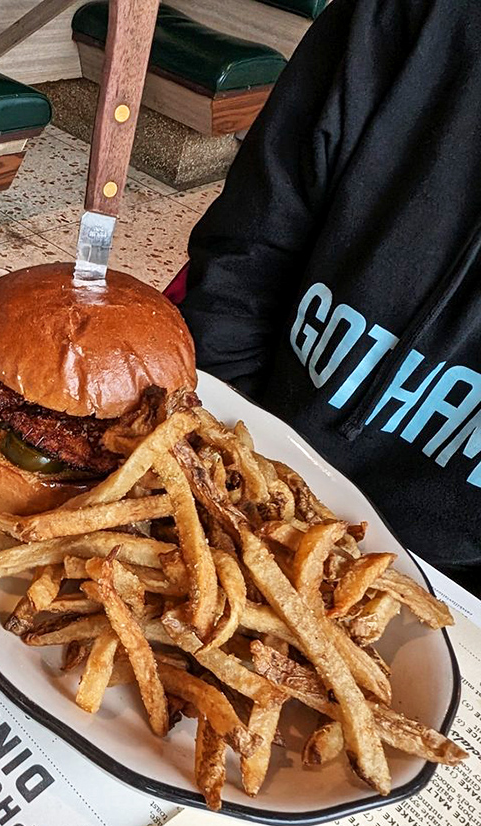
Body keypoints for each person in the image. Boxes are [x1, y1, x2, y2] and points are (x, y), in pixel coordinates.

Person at [178, 0, 481, 598]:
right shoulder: (407, 17)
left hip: (452, 591)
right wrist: (222, 469)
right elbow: (243, 262)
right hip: (236, 472)